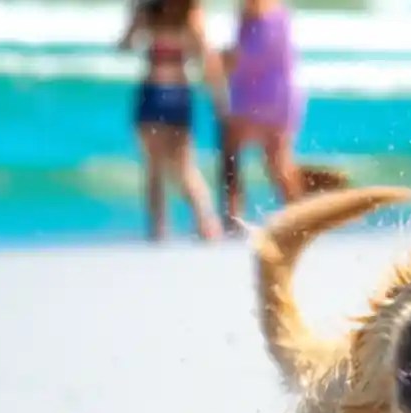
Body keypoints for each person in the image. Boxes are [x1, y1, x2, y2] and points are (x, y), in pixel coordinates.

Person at [119, 0, 229, 242]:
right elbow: (206, 57)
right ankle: (183, 225)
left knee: (170, 167)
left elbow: (124, 45)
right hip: (167, 93)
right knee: (168, 167)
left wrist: (220, 96)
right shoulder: (168, 13)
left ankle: (186, 226)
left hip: (164, 94)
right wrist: (219, 96)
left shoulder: (177, 14)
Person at [218, 0, 306, 230]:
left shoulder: (262, 14)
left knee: (235, 149)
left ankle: (233, 213)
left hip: (263, 95)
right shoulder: (271, 13)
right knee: (276, 160)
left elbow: (247, 57)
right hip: (276, 94)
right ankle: (300, 217)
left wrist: (222, 61)